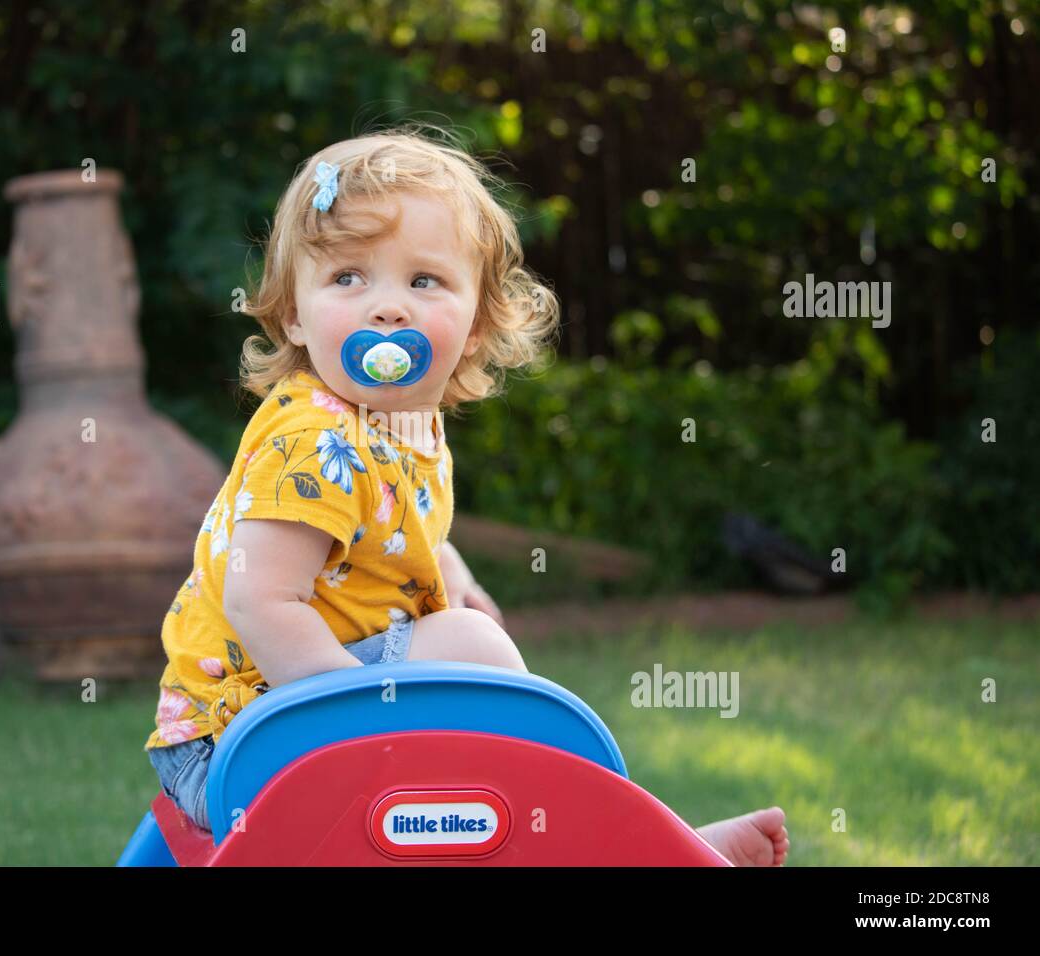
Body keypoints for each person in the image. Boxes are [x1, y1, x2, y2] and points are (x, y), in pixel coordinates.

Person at [145, 125, 789, 866]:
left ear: (477, 324)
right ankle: (640, 846)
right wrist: (360, 719)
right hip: (240, 738)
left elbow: (407, 534)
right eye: (348, 278)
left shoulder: (410, 428)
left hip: (291, 713)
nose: (387, 308)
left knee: (474, 679)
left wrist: (459, 581)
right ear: (294, 311)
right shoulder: (314, 440)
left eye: (423, 281)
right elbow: (260, 601)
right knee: (473, 657)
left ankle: (640, 840)